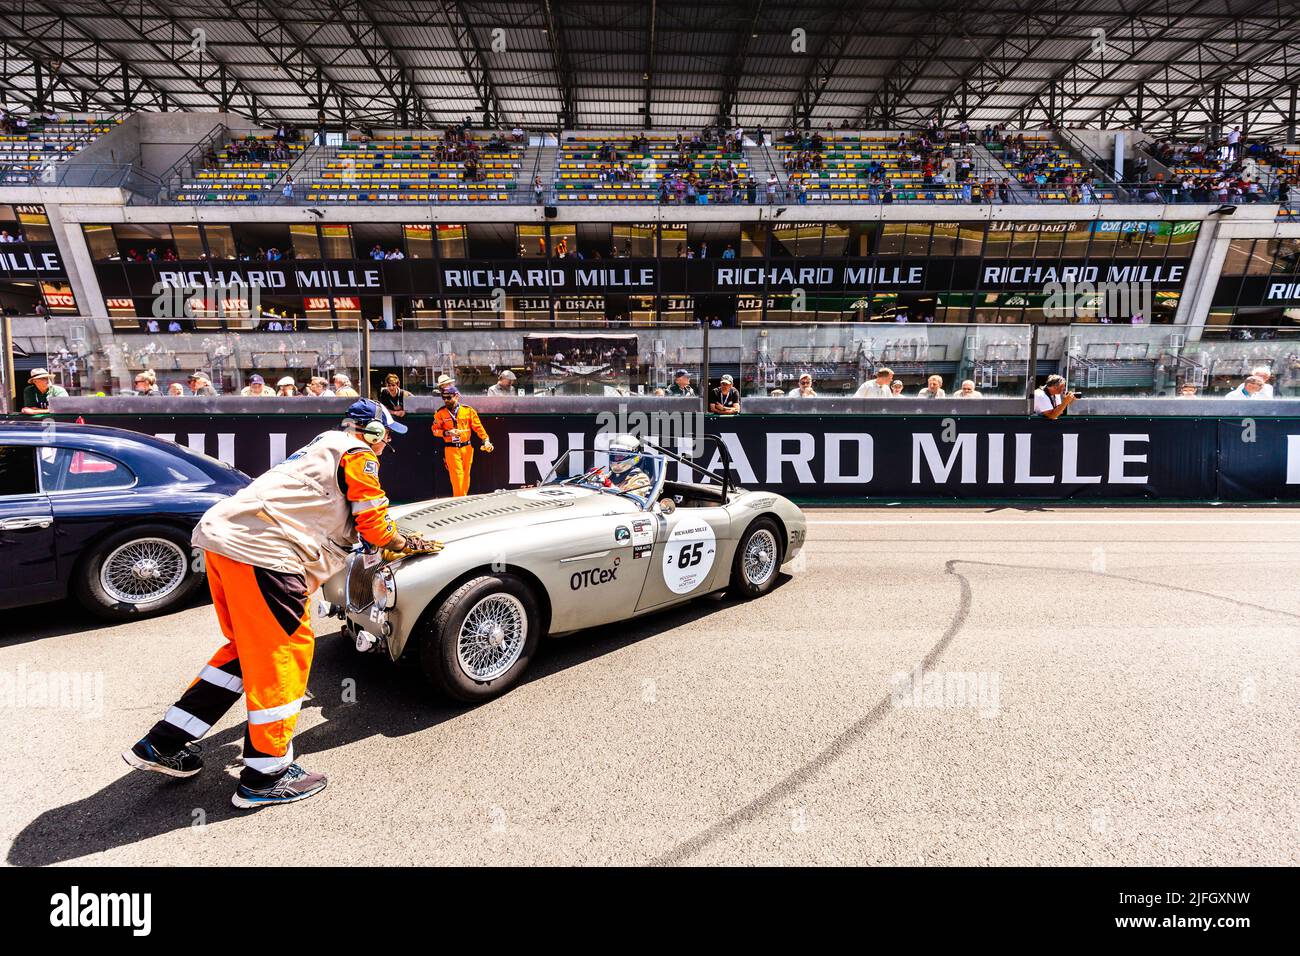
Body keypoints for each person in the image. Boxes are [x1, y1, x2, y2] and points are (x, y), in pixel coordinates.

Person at [122, 400, 438, 809]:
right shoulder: (358, 453)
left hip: (225, 541)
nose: (387, 444)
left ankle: (163, 743)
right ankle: (265, 776)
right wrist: (403, 543)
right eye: (386, 435)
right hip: (265, 554)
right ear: (372, 432)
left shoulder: (320, 447)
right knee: (283, 655)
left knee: (246, 651)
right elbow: (374, 524)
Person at [431, 386, 493, 496]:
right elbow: (435, 430)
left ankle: (462, 499)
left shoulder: (468, 410)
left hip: (467, 448)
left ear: (456, 396)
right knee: (457, 476)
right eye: (443, 398)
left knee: (465, 476)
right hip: (451, 449)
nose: (446, 400)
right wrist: (448, 433)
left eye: (449, 397)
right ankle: (459, 500)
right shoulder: (440, 413)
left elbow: (478, 428)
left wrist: (486, 440)